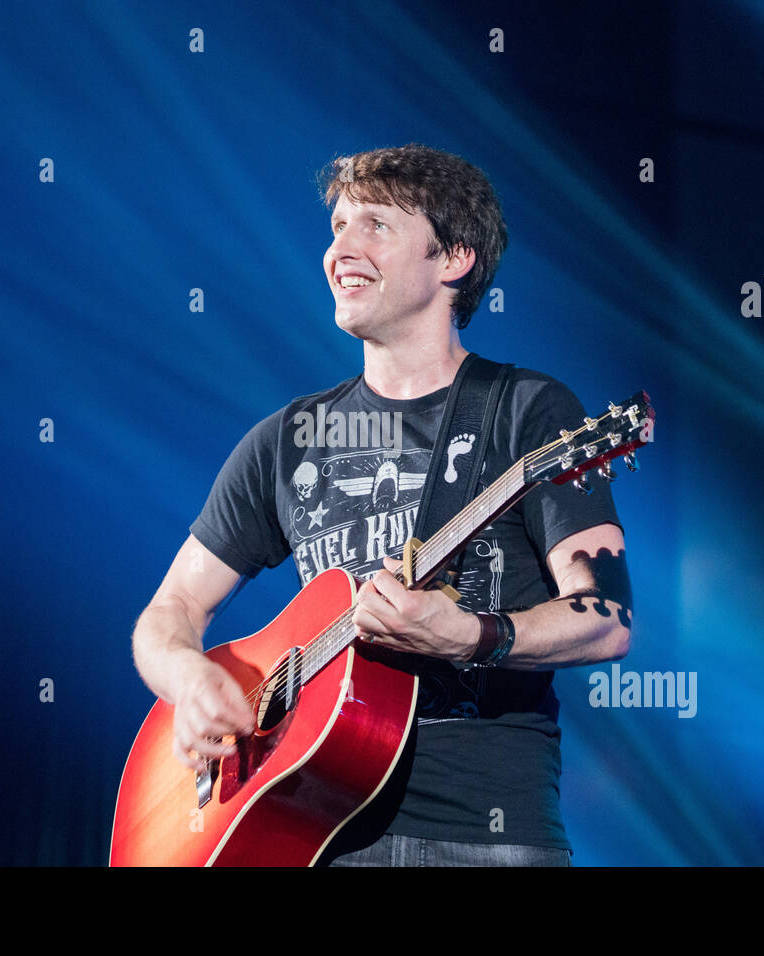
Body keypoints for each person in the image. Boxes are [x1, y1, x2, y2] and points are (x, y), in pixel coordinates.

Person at [131, 144, 633, 867]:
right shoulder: (290, 440)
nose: (339, 249)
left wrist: (473, 635)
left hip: (483, 836)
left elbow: (610, 622)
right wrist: (191, 679)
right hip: (312, 833)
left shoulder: (528, 412)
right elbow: (168, 612)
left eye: (373, 226)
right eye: (336, 226)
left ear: (453, 257)